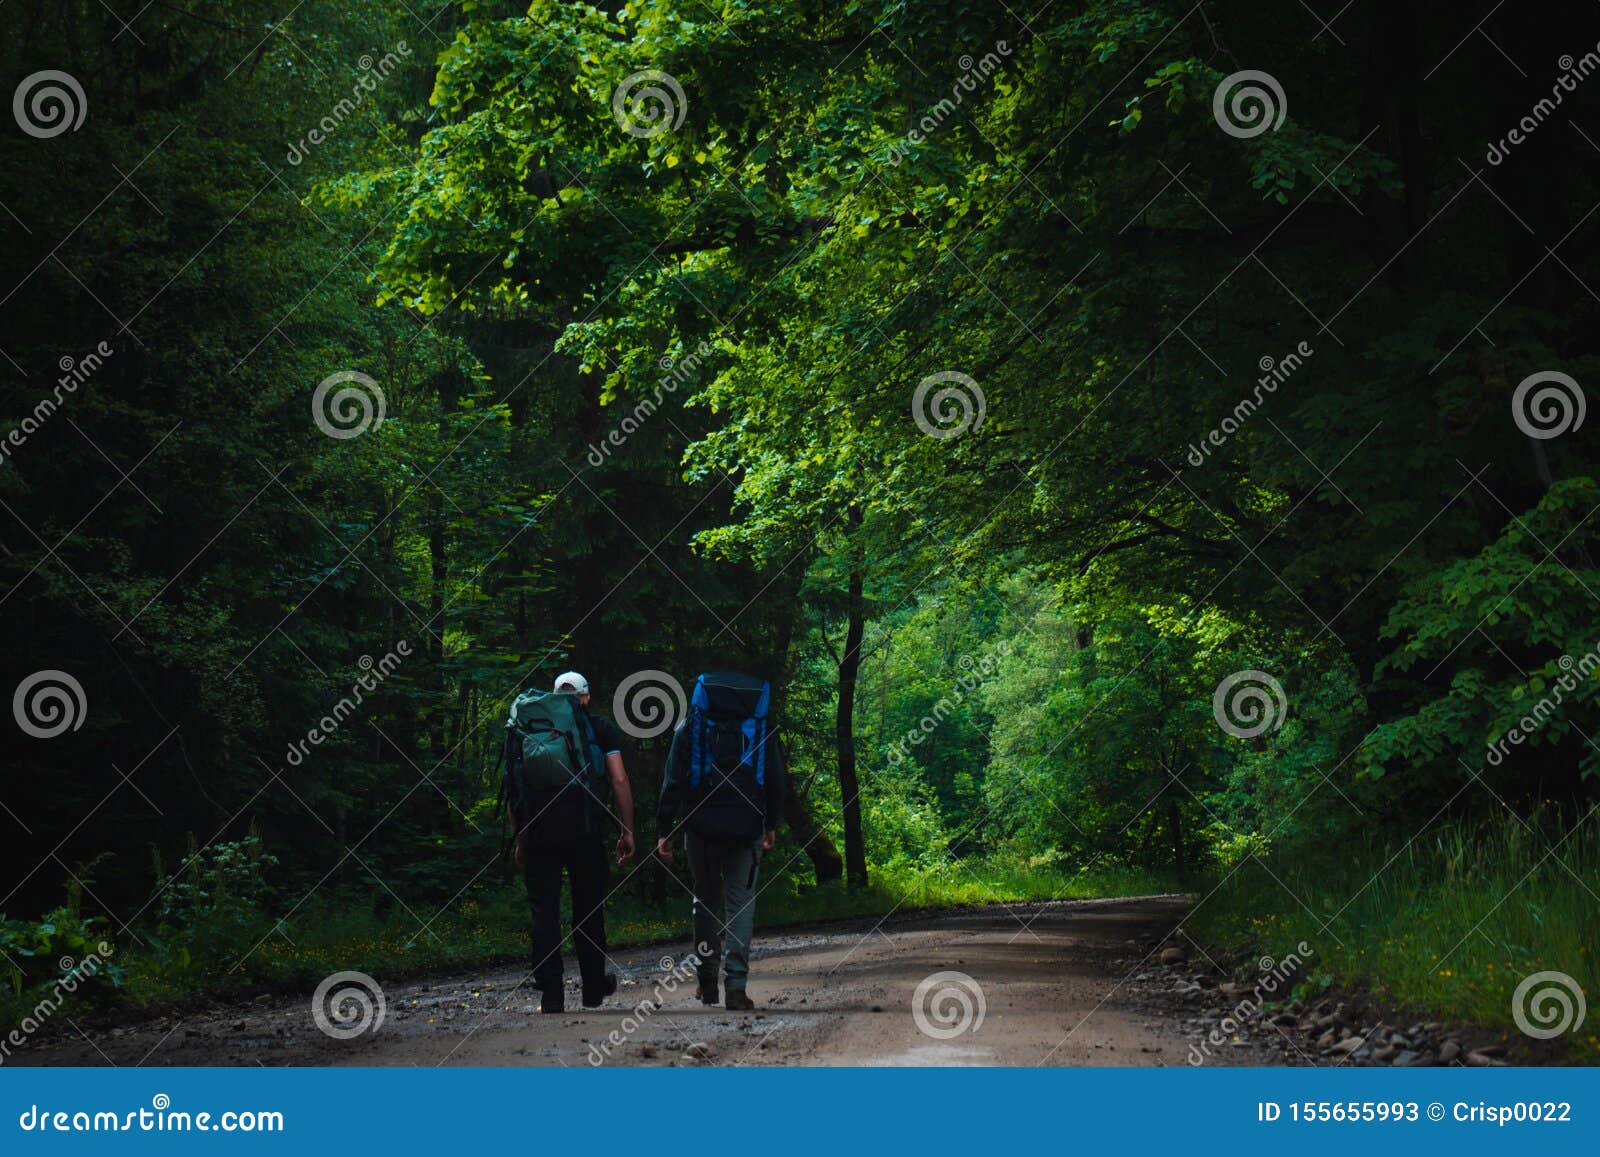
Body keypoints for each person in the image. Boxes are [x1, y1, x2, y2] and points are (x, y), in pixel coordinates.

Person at [655, 671, 784, 1011]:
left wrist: (664, 828)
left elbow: (673, 780)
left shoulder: (690, 729)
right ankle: (737, 988)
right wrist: (770, 823)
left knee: (705, 901)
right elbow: (776, 779)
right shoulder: (760, 729)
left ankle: (707, 984)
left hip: (701, 827)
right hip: (747, 825)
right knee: (740, 903)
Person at [510, 671, 636, 1014]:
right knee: (588, 909)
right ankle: (593, 989)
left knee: (544, 909)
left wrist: (520, 838)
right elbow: (619, 779)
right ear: (585, 697)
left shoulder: (526, 725)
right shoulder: (598, 728)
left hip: (538, 831)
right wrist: (627, 830)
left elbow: (515, 788)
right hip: (586, 829)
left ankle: (551, 994)